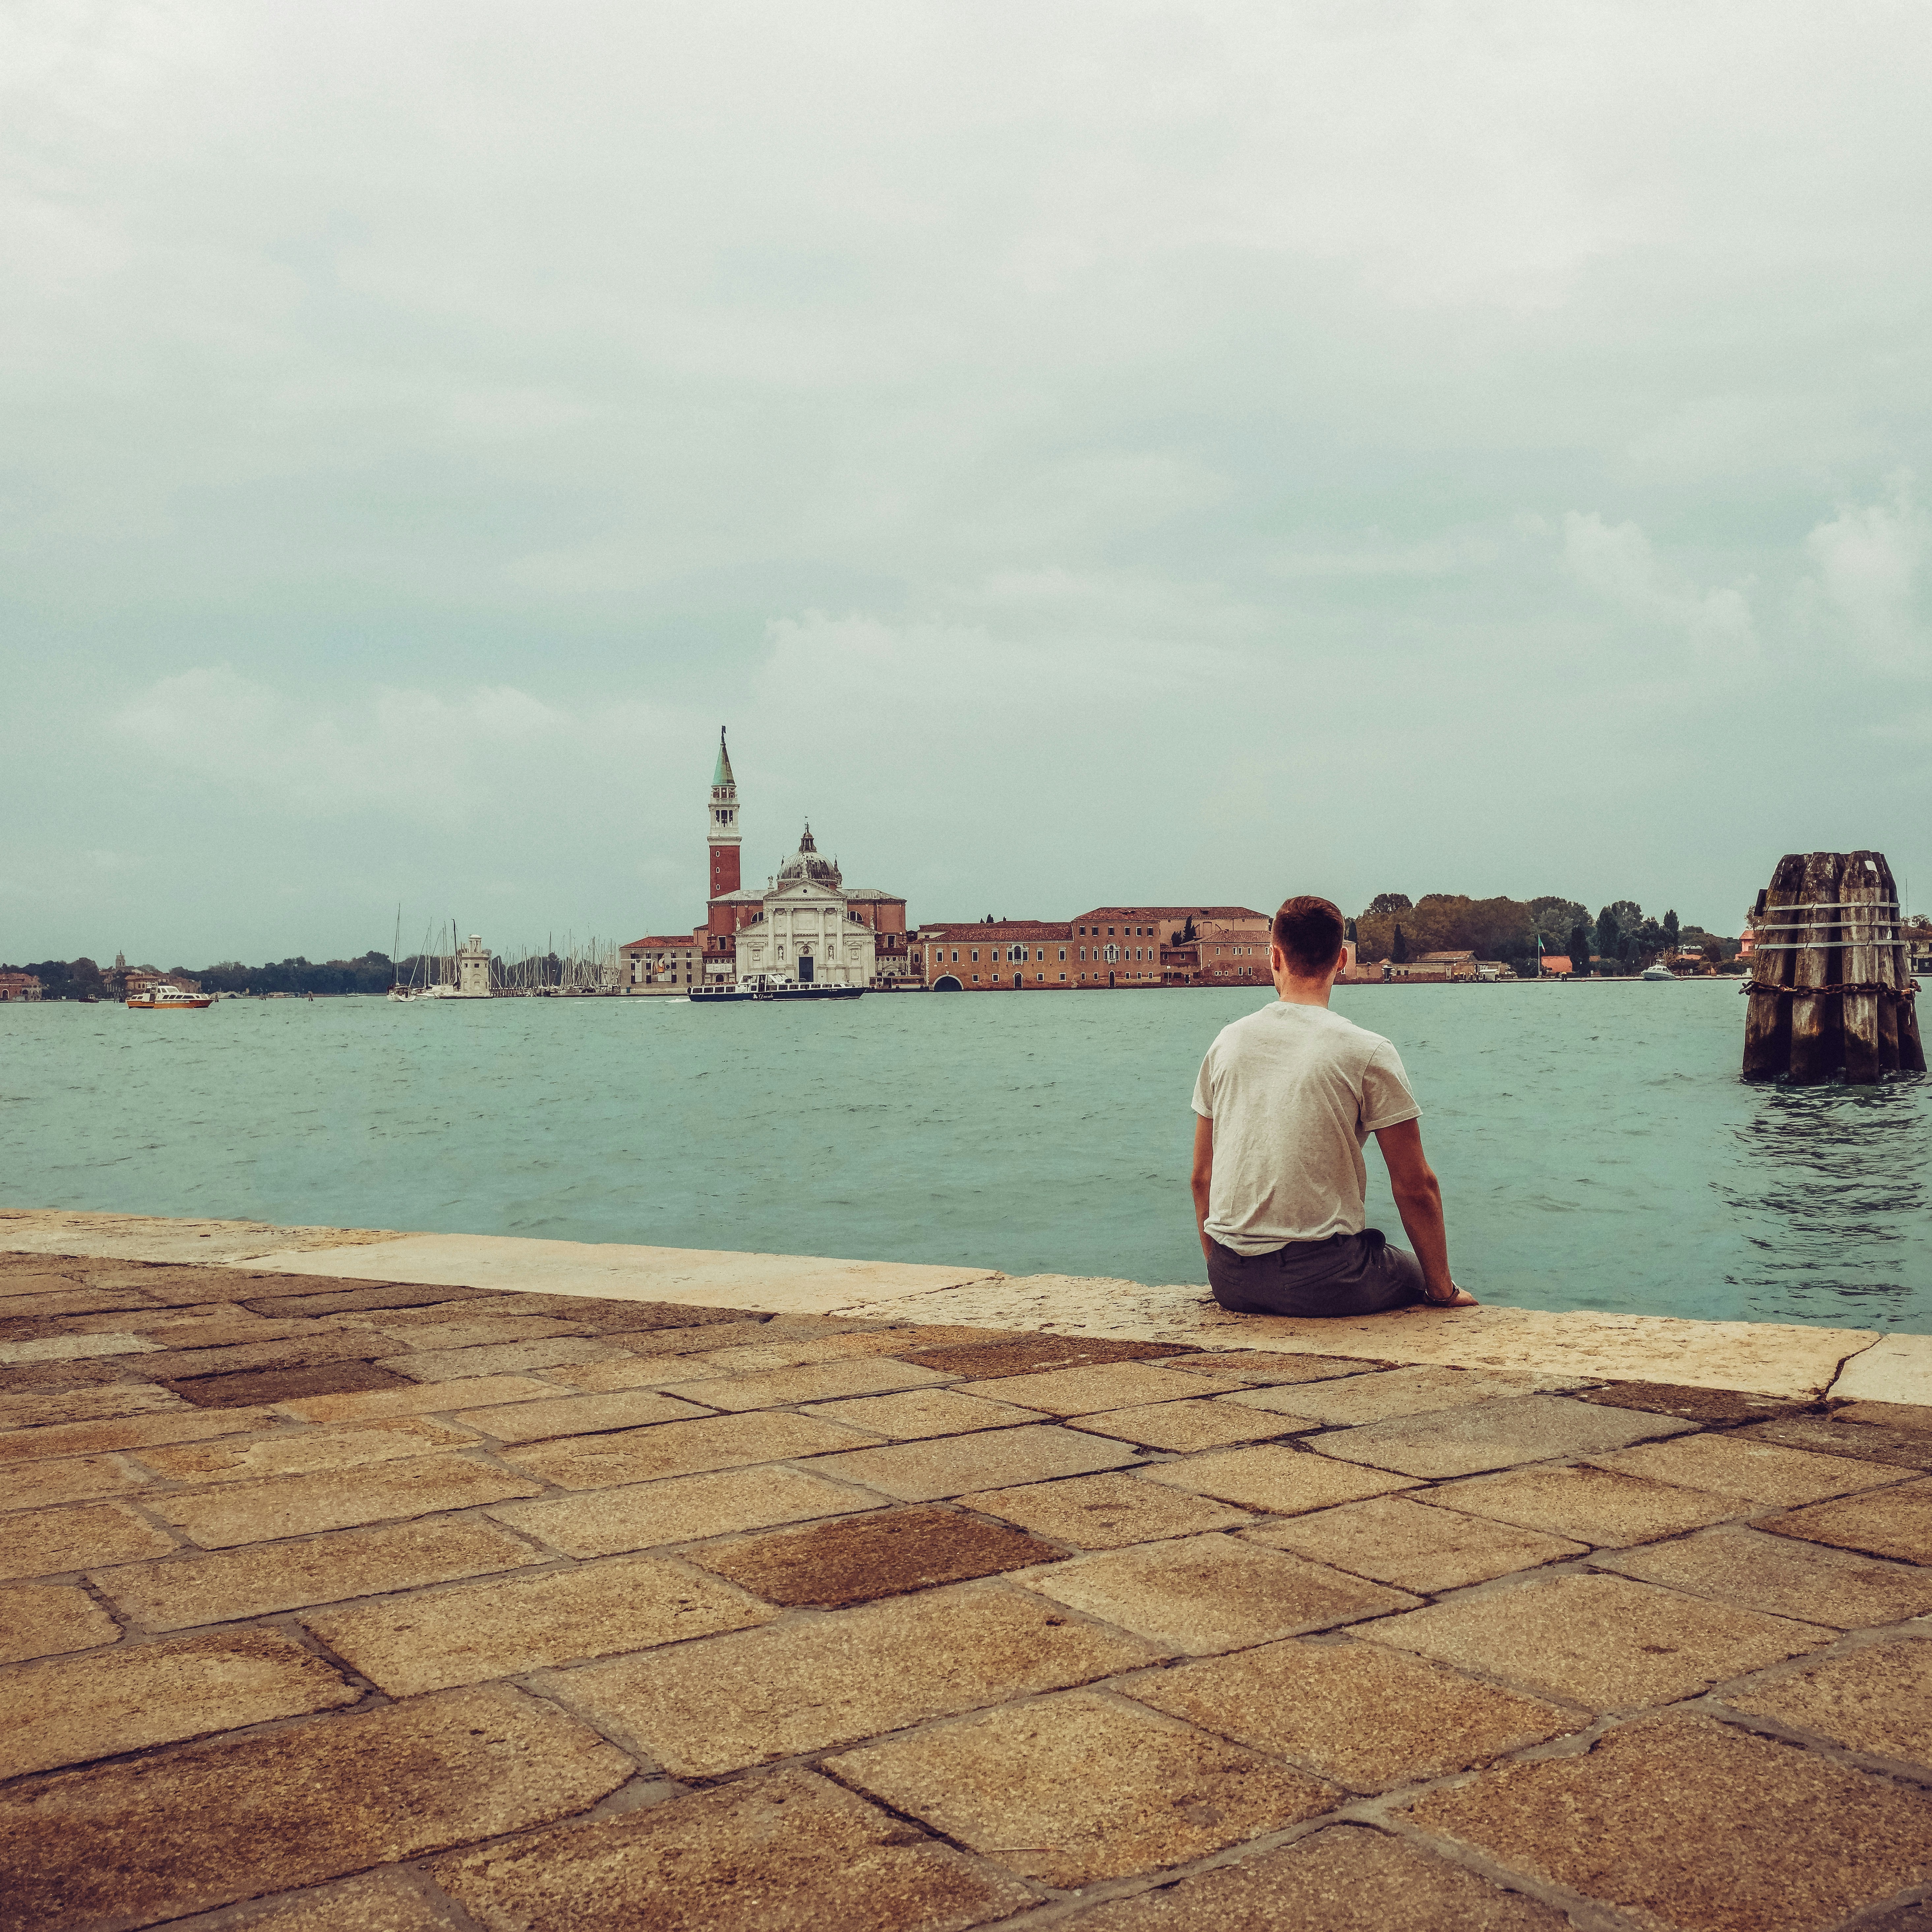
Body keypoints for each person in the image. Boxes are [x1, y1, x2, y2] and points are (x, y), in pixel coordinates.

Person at [1190, 894, 1477, 1316]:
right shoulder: (1368, 1050)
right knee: (1415, 1272)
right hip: (1324, 1281)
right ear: (1342, 959)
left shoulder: (1226, 1042)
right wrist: (1442, 1290)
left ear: (1274, 957)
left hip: (1230, 1280)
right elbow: (1415, 1186)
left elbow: (1201, 1178)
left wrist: (1223, 1268)